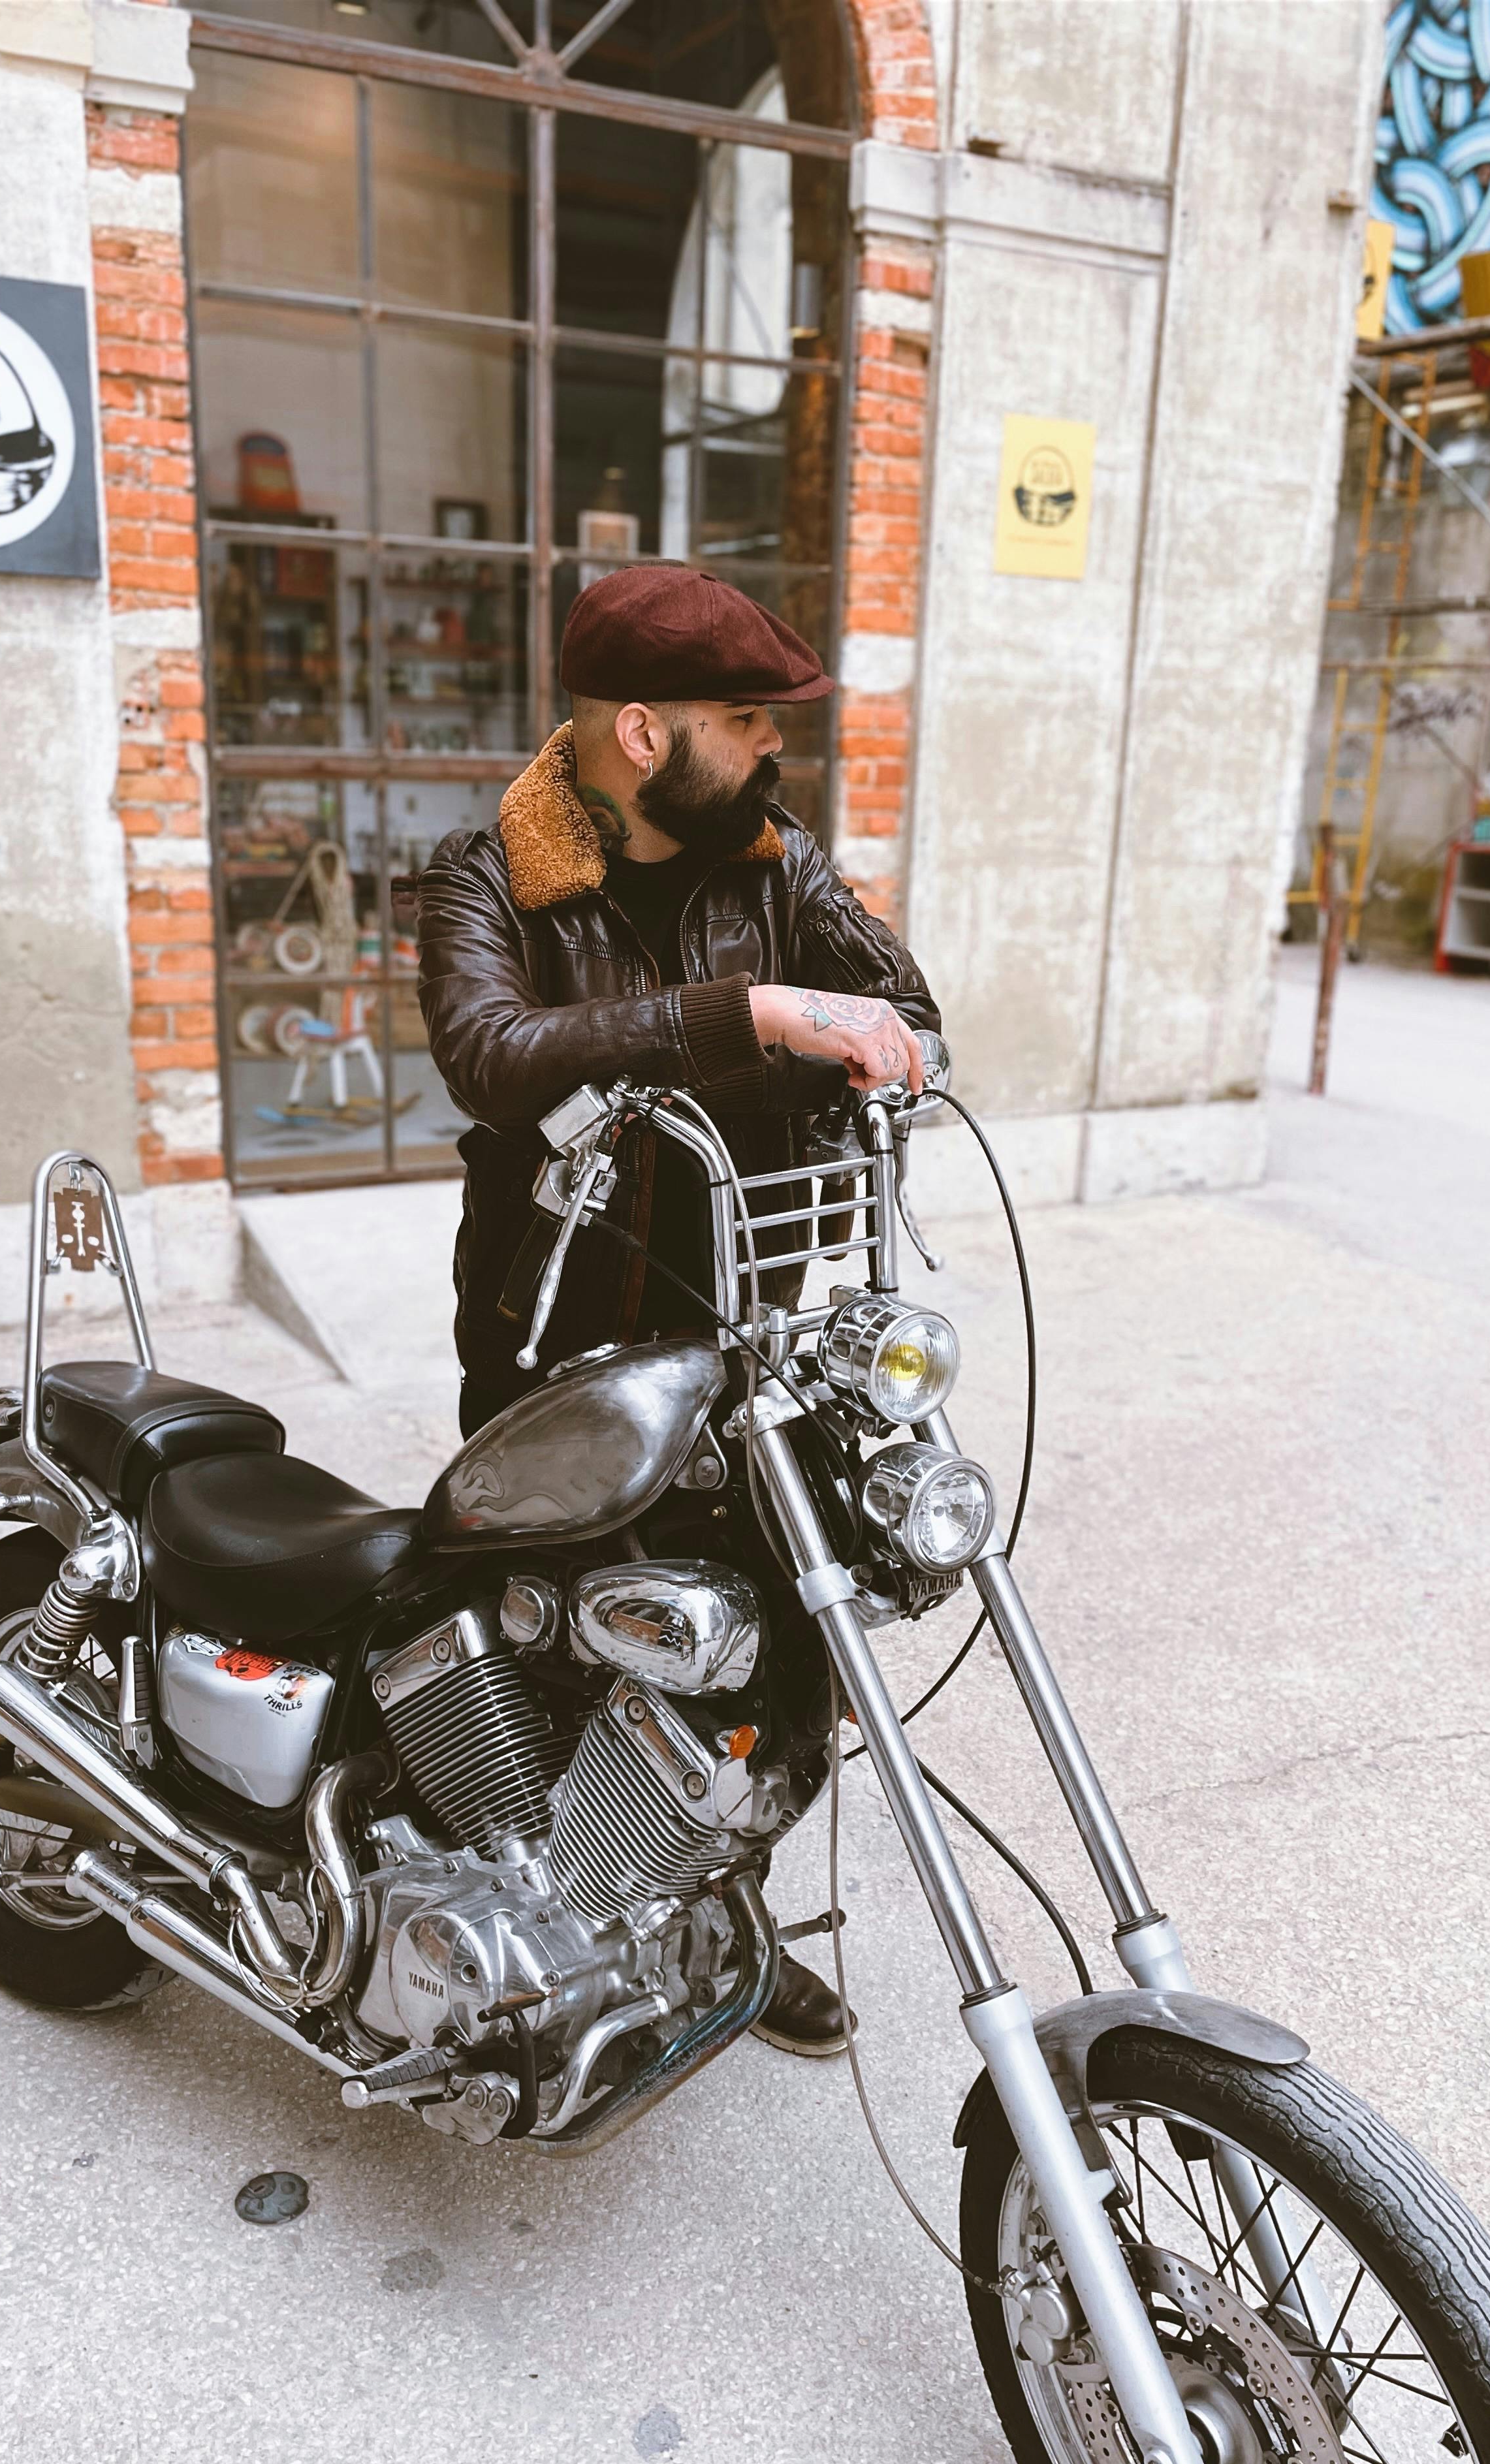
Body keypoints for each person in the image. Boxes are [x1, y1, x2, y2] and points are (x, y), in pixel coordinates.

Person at [418, 566, 941, 2057]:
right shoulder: (486, 875)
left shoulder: (781, 868)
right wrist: (758, 1019)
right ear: (643, 734)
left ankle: (727, 1919)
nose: (775, 750)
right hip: (554, 1326)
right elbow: (493, 1051)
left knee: (780, 1634)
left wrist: (856, 1031)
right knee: (550, 1629)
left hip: (749, 1324)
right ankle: (522, 1915)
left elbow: (908, 1012)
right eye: (745, 721)